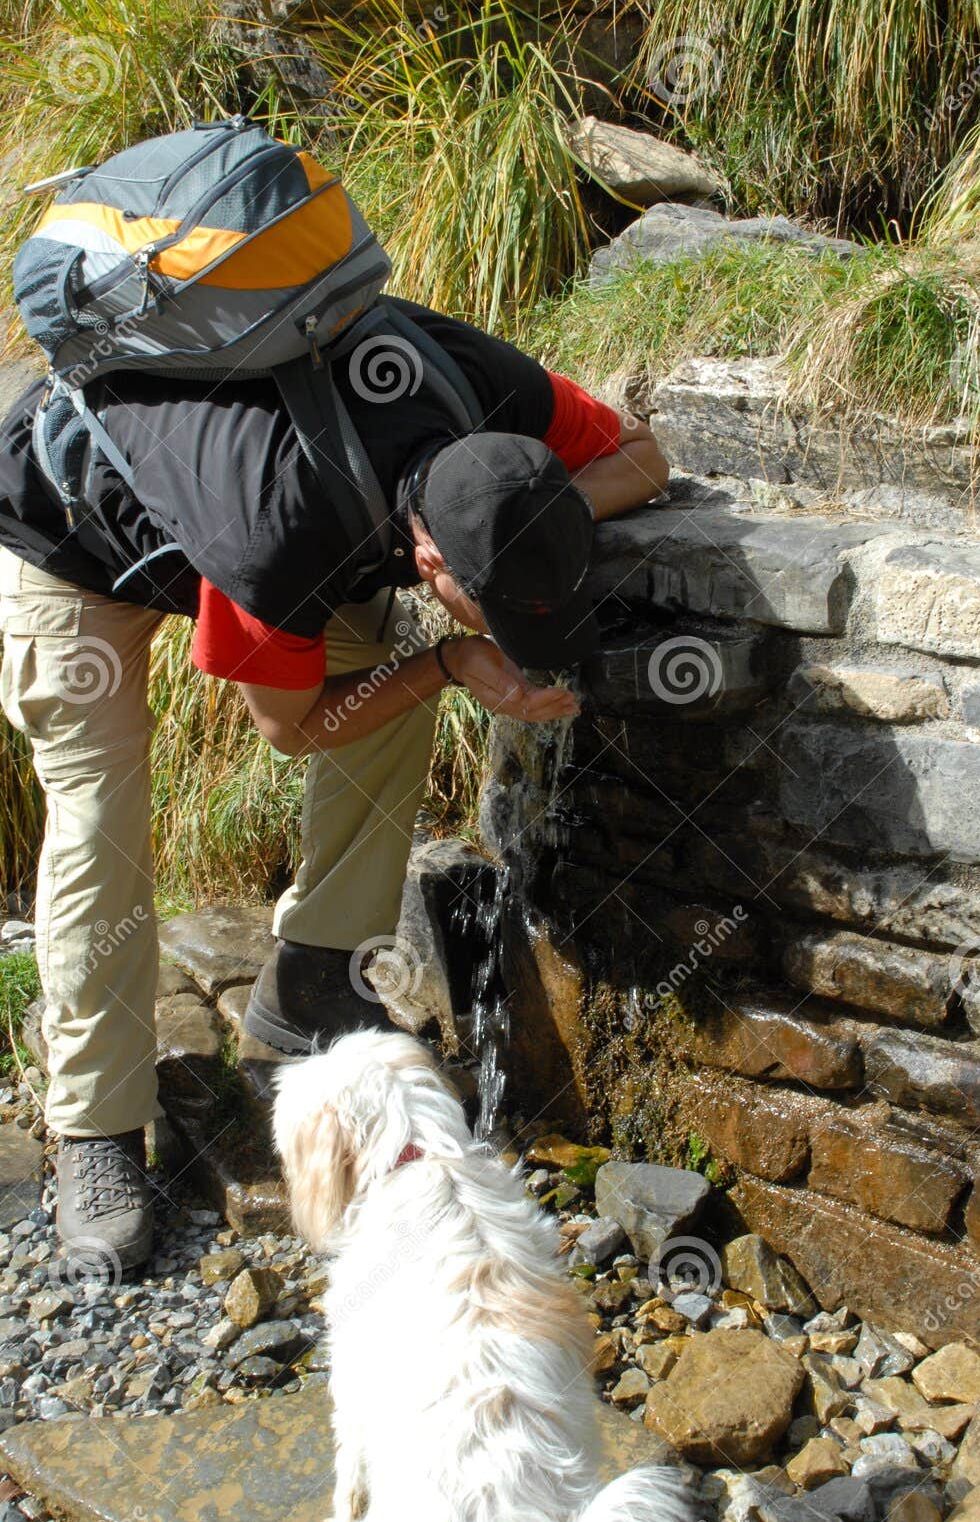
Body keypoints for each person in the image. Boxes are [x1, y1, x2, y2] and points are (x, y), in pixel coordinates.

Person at [0, 295, 669, 1273]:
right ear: (432, 555)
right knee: (103, 815)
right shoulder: (275, 531)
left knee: (390, 673)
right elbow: (293, 727)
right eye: (484, 607)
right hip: (70, 526)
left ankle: (315, 983)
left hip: (302, 511)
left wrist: (537, 540)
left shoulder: (486, 395)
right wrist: (446, 665)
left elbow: (643, 457)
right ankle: (98, 1132)